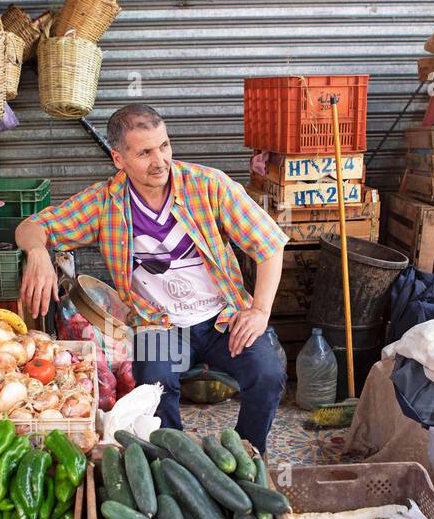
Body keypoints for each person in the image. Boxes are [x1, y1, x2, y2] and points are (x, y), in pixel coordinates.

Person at [15, 104, 288, 452]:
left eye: (164, 146)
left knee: (267, 373)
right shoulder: (105, 204)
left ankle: (248, 453)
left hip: (224, 318)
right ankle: (173, 459)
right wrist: (37, 252)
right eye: (144, 152)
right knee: (154, 382)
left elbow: (269, 244)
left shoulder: (208, 185)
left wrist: (260, 310)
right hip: (161, 325)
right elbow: (32, 227)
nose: (159, 160)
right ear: (119, 159)